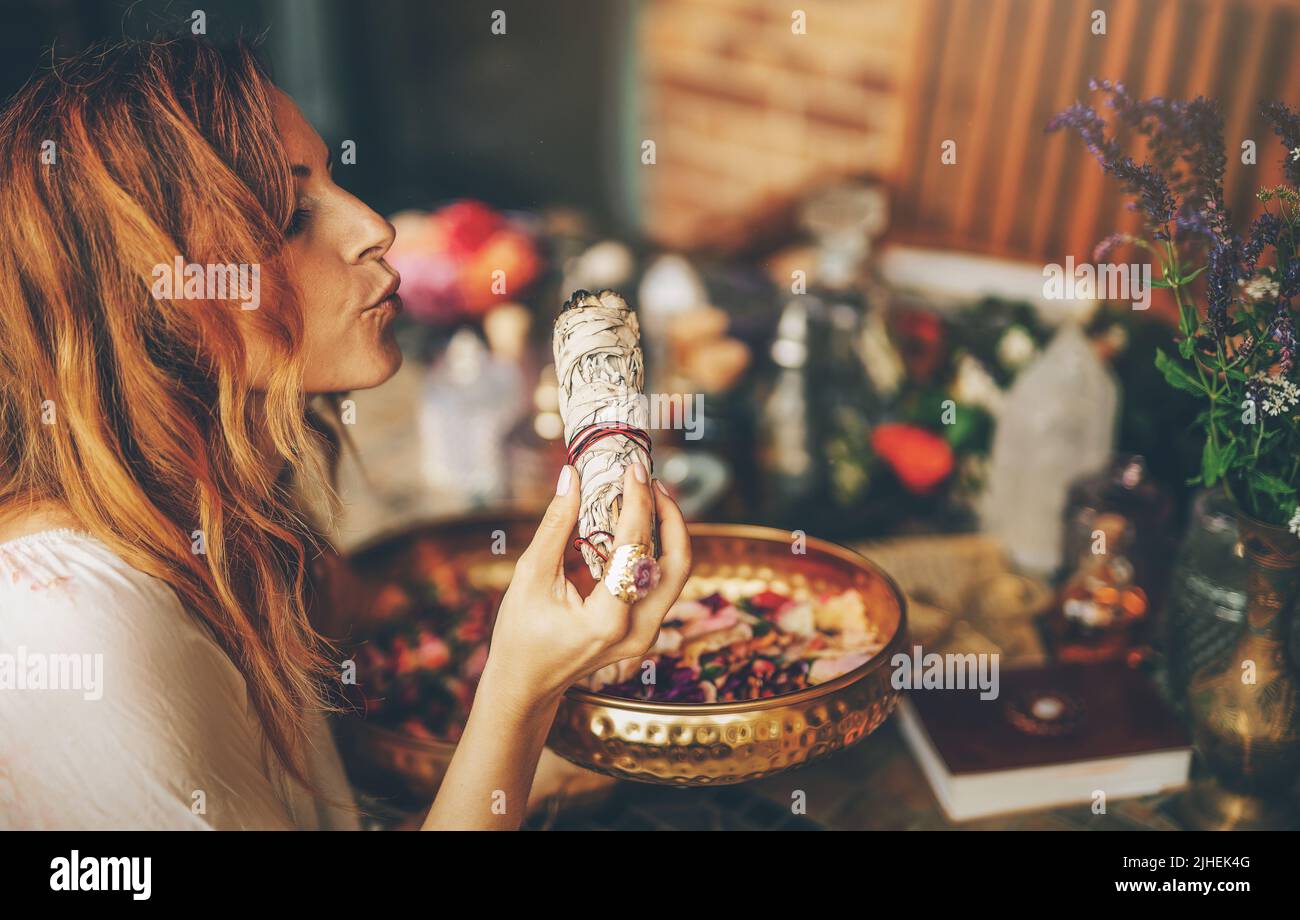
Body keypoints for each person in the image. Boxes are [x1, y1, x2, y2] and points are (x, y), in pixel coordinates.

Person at [0, 36, 690, 830]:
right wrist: (520, 694)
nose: (375, 228)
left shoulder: (229, 502)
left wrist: (536, 748)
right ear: (157, 297)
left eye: (332, 181)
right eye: (291, 216)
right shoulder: (75, 626)